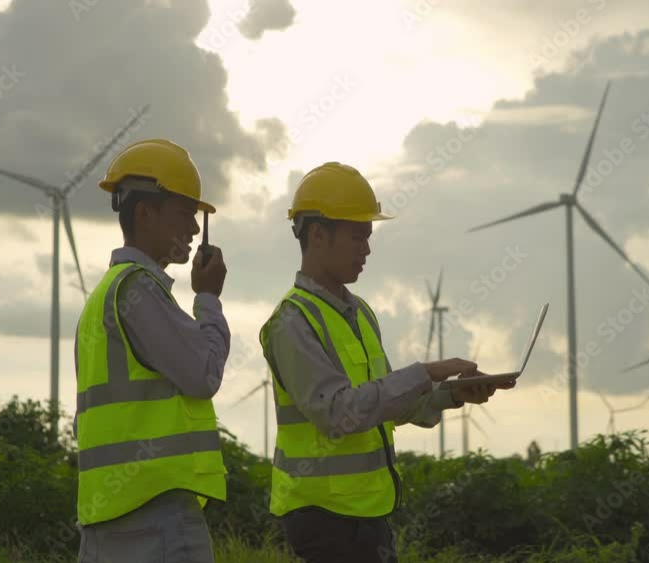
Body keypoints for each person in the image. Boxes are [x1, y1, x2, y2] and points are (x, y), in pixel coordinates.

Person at [258, 162, 512, 563]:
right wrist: (424, 372)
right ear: (319, 235)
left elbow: (384, 404)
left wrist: (450, 395)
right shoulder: (291, 322)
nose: (367, 249)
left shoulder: (361, 314)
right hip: (323, 518)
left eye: (369, 237)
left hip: (369, 516)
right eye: (358, 236)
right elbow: (338, 412)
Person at [73, 139, 230, 563]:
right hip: (153, 512)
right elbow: (203, 374)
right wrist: (209, 299)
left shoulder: (106, 294)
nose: (195, 231)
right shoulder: (138, 291)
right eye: (185, 214)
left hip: (110, 514)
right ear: (145, 213)